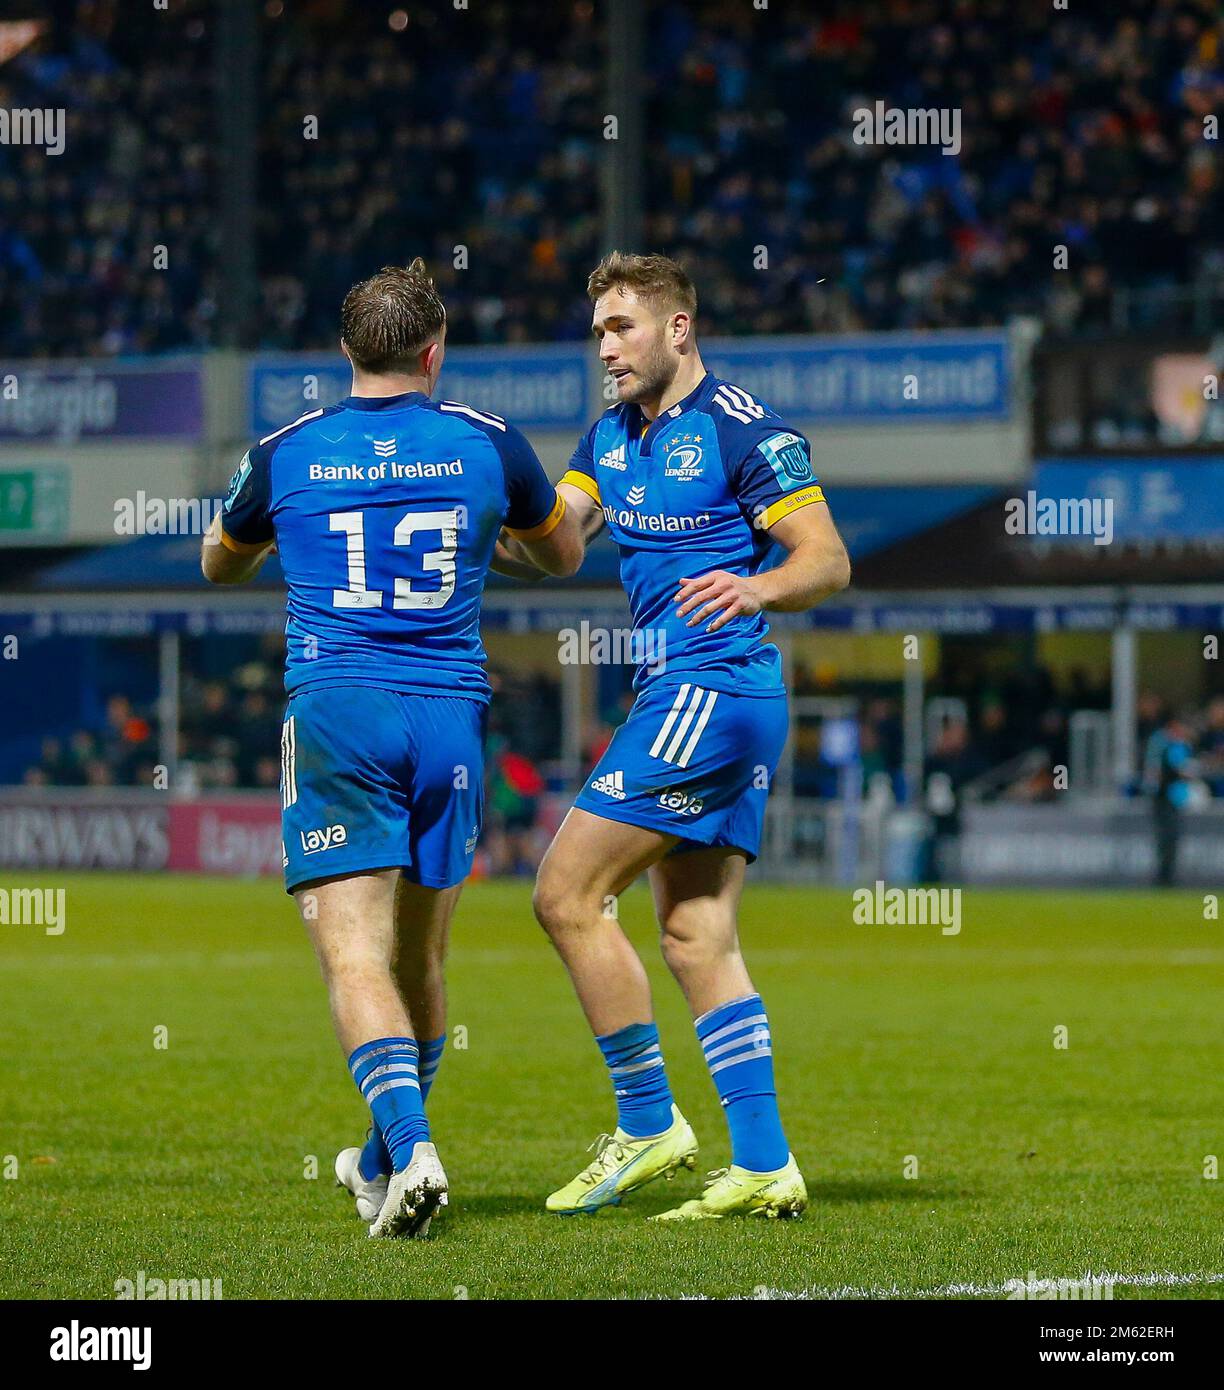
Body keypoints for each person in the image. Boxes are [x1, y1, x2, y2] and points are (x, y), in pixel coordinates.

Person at [201, 260, 582, 1237]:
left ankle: (411, 1151)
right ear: (434, 350)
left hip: (339, 713)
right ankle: (379, 1157)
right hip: (450, 725)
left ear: (345, 352)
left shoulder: (287, 448)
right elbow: (563, 555)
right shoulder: (491, 444)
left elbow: (219, 559)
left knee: (354, 958)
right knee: (421, 961)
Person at [495, 252, 850, 1220]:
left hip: (713, 689)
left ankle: (649, 1123)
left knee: (565, 892)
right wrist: (486, 526)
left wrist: (758, 584)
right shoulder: (608, 438)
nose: (604, 347)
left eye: (622, 328)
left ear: (679, 329)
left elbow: (826, 557)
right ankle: (767, 1161)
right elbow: (560, 543)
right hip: (688, 696)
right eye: (598, 330)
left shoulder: (745, 431)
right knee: (697, 935)